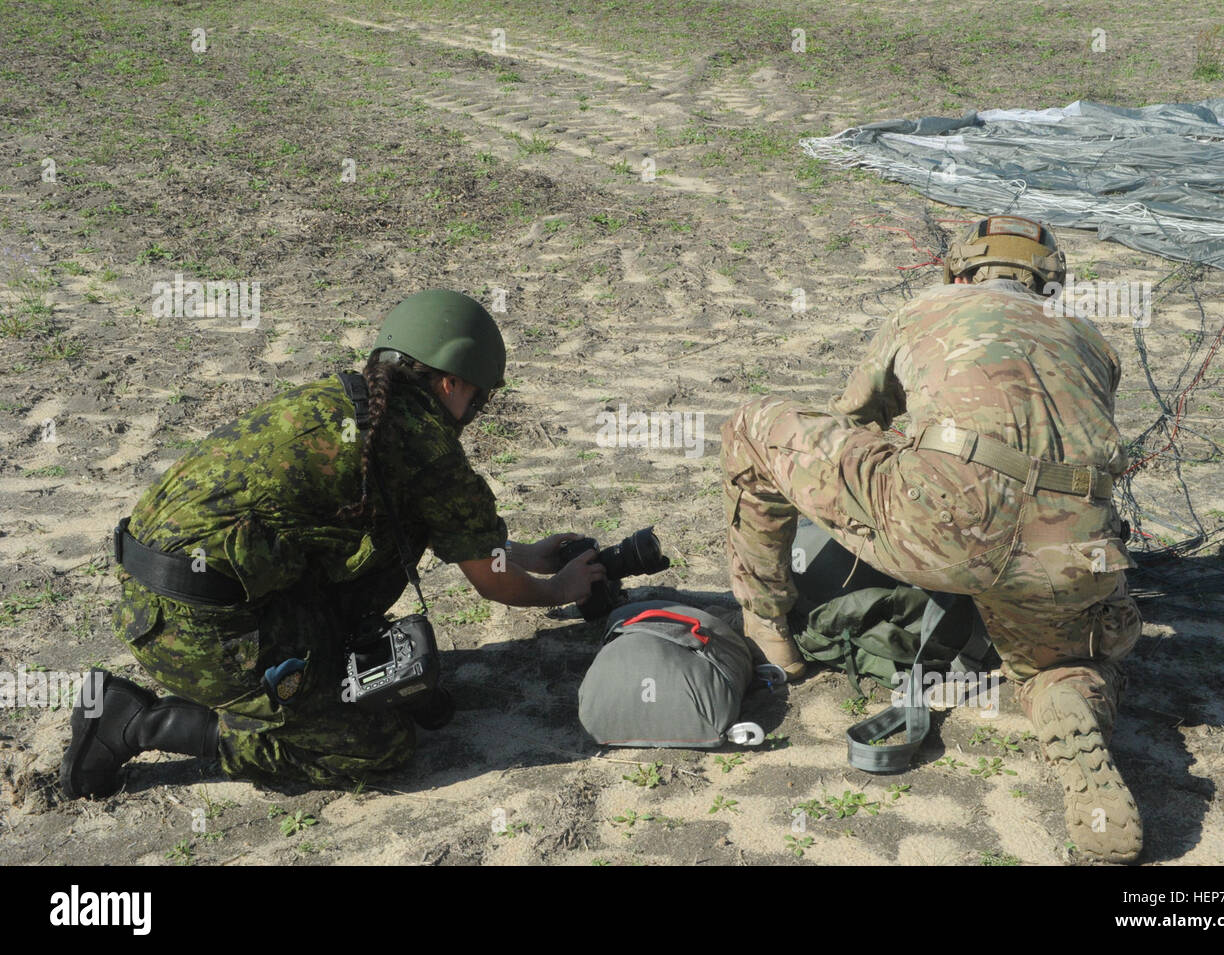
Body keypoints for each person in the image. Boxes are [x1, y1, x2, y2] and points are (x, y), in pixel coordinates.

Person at [62, 290, 606, 797]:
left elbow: (457, 534)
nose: (474, 413)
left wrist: (530, 555)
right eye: (479, 399)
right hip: (200, 631)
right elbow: (491, 581)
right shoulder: (425, 446)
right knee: (380, 746)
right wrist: (558, 587)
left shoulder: (345, 402)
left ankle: (316, 660)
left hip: (160, 594)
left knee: (396, 538)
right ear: (451, 383)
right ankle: (135, 723)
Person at [720, 216, 1145, 863]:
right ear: (1048, 280)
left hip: (942, 528)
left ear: (961, 269)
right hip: (1069, 552)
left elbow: (854, 419)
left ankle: (769, 630)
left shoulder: (928, 307)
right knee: (1056, 664)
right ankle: (1069, 711)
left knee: (754, 429)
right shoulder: (1092, 341)